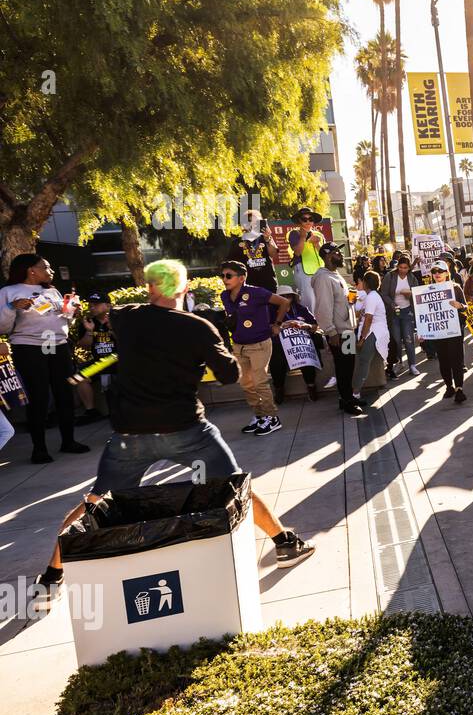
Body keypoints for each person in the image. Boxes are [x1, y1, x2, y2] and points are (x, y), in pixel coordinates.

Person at [27, 259, 314, 610]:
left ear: (149, 287)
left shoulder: (127, 317)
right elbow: (227, 375)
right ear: (183, 289)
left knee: (95, 501)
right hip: (186, 429)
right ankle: (284, 543)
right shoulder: (198, 327)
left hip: (129, 433)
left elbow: (104, 315)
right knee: (234, 484)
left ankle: (50, 579)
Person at [0, 254, 89, 463]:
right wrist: (12, 307)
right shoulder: (8, 292)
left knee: (65, 393)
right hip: (29, 348)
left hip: (57, 346)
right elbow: (2, 327)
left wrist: (73, 313)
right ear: (32, 270)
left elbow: (64, 317)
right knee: (38, 397)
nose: (51, 271)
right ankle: (39, 449)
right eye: (46, 267)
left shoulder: (52, 291)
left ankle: (69, 441)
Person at [218, 260, 290, 436]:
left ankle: (272, 418)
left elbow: (284, 302)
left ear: (242, 278)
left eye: (229, 276)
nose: (224, 279)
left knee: (259, 382)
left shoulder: (256, 292)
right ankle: (259, 416)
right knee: (246, 384)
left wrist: (277, 324)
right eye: (222, 276)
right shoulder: (224, 296)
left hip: (259, 344)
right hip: (239, 345)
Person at [312, 242, 364, 415]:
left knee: (348, 367)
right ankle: (347, 402)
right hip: (338, 333)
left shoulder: (335, 275)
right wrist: (330, 331)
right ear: (327, 256)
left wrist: (351, 298)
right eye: (336, 252)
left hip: (347, 331)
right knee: (342, 368)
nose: (340, 255)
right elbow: (323, 308)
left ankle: (347, 397)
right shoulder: (323, 278)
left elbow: (339, 301)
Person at [268, 284, 325, 404]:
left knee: (305, 355)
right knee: (276, 359)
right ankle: (279, 388)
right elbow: (266, 328)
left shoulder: (300, 309)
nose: (285, 298)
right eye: (282, 296)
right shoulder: (270, 310)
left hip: (300, 342)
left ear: (292, 297)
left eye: (288, 296)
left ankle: (311, 386)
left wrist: (305, 326)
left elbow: (315, 326)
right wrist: (281, 325)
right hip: (280, 343)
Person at [428, 260, 468, 403]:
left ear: (446, 273)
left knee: (456, 360)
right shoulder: (427, 290)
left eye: (440, 271)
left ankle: (459, 389)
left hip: (455, 329)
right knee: (443, 360)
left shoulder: (455, 288)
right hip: (439, 331)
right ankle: (449, 386)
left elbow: (466, 307)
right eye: (434, 271)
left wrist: (460, 305)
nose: (437, 274)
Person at [73, 293, 115, 423]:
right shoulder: (88, 323)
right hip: (99, 363)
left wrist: (112, 329)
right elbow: (84, 347)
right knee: (78, 377)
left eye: (96, 305)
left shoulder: (118, 318)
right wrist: (90, 331)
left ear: (108, 305)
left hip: (118, 359)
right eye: (90, 305)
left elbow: (127, 342)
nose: (92, 308)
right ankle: (91, 411)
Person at [380, 254, 423, 378]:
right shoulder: (390, 276)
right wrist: (392, 304)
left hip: (407, 311)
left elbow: (416, 293)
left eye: (405, 268)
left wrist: (409, 295)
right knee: (397, 339)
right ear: (397, 267)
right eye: (401, 267)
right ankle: (400, 362)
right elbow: (384, 293)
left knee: (409, 339)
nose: (403, 270)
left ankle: (413, 365)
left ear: (409, 268)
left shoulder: (411, 278)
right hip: (394, 312)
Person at [352, 270, 390, 402]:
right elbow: (358, 315)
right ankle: (352, 391)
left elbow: (368, 319)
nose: (359, 283)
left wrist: (362, 339)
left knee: (363, 362)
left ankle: (355, 393)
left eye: (361, 281)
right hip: (364, 332)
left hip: (373, 333)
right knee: (358, 361)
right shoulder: (368, 296)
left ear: (366, 283)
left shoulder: (372, 297)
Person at [226, 210, 278, 292]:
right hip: (248, 286)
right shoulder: (236, 243)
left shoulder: (265, 238)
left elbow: (273, 254)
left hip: (268, 285)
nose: (257, 224)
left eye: (259, 221)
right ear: (245, 224)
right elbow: (230, 266)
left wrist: (268, 238)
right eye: (254, 222)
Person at [287, 207, 326, 314]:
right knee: (309, 301)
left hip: (320, 272)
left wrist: (317, 244)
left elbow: (324, 255)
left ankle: (321, 326)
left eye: (310, 219)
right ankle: (309, 326)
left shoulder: (319, 235)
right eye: (304, 219)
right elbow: (297, 252)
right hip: (303, 272)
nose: (308, 221)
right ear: (299, 220)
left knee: (322, 300)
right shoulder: (294, 234)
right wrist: (303, 238)